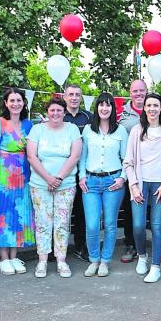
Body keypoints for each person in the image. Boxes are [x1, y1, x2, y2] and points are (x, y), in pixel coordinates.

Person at [123, 93, 161, 283]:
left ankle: (155, 267)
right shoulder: (136, 131)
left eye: (156, 105)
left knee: (157, 225)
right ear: (144, 108)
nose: (152, 109)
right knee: (138, 225)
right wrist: (133, 185)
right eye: (149, 105)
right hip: (140, 184)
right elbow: (128, 162)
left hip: (160, 185)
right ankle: (141, 255)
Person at [27, 97, 82, 278]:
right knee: (42, 222)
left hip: (65, 185)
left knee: (62, 223)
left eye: (59, 110)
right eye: (52, 110)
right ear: (47, 112)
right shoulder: (37, 130)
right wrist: (48, 178)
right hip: (40, 184)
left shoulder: (72, 129)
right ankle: (42, 261)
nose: (56, 113)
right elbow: (32, 157)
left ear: (64, 112)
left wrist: (58, 178)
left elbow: (74, 156)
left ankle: (61, 261)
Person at [78, 92, 128, 278]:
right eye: (101, 105)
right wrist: (82, 177)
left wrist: (122, 178)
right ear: (96, 107)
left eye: (108, 105)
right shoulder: (88, 130)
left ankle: (105, 261)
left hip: (112, 182)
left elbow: (126, 158)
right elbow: (82, 157)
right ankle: (93, 260)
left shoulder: (121, 131)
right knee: (91, 225)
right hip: (90, 182)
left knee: (109, 223)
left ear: (113, 108)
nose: (104, 108)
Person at [0, 87, 36, 275]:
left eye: (19, 100)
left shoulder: (28, 125)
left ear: (24, 103)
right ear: (6, 103)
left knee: (19, 215)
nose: (16, 104)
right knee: (3, 216)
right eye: (12, 100)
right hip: (4, 176)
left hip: (23, 176)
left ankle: (15, 256)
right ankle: (4, 258)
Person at [119, 79, 147, 264]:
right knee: (130, 209)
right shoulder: (122, 116)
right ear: (130, 93)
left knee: (152, 209)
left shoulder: (154, 109)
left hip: (153, 170)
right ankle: (131, 245)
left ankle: (148, 245)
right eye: (135, 91)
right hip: (131, 170)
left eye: (141, 91)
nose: (138, 94)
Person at [64, 83, 93, 262]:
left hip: (84, 172)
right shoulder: (59, 115)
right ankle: (56, 249)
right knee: (62, 211)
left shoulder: (89, 117)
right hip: (64, 171)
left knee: (82, 211)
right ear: (65, 96)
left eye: (77, 94)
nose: (74, 97)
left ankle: (80, 247)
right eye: (71, 94)